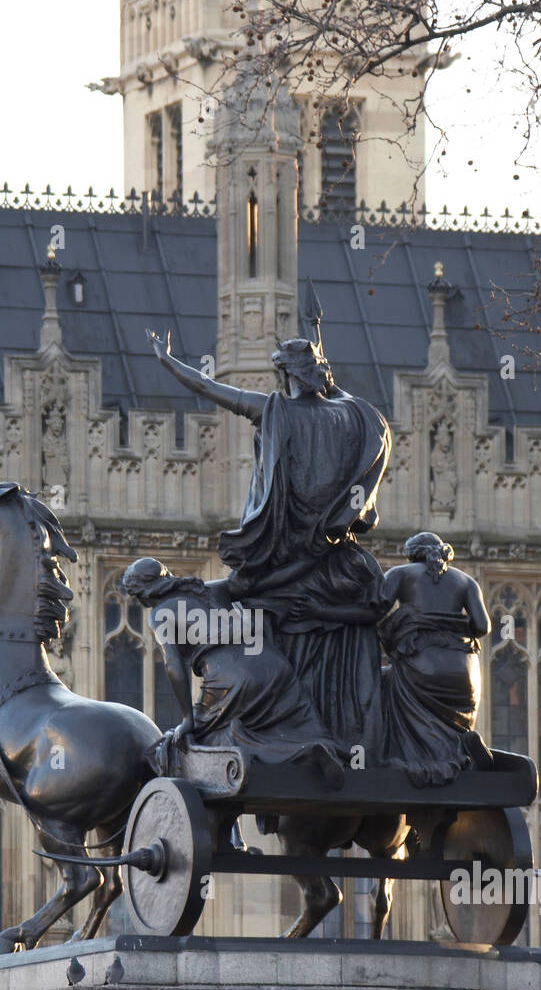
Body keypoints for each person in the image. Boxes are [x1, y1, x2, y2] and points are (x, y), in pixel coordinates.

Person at [146, 329, 389, 755]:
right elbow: (372, 424)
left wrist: (167, 362)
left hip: (284, 571)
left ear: (284, 375)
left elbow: (211, 388)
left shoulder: (277, 412)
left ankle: (258, 730)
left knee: (228, 599)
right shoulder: (356, 417)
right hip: (339, 571)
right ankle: (349, 744)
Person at [121, 557, 346, 786]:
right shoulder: (209, 590)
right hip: (273, 666)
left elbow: (172, 663)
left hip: (229, 679)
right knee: (296, 719)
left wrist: (188, 719)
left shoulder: (159, 612)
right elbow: (250, 583)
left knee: (194, 742)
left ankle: (299, 753)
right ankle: (322, 747)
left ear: (145, 593)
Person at [378, 532, 493, 787]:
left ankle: (402, 756)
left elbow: (373, 609)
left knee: (384, 682)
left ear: (412, 555)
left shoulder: (401, 574)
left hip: (422, 665)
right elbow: (483, 626)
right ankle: (461, 748)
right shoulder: (466, 581)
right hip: (464, 676)